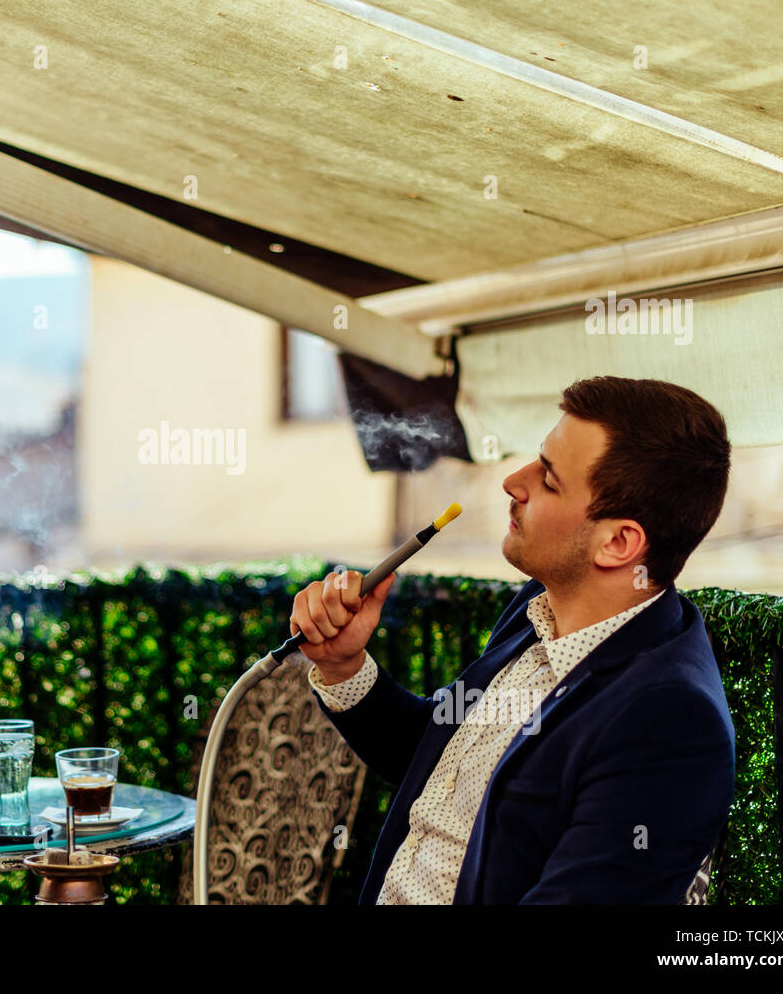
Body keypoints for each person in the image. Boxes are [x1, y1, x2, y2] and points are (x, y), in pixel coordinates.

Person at [289, 376, 735, 904]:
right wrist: (344, 666)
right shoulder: (538, 609)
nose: (513, 481)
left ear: (618, 542)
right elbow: (439, 757)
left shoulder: (670, 722)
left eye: (548, 480)